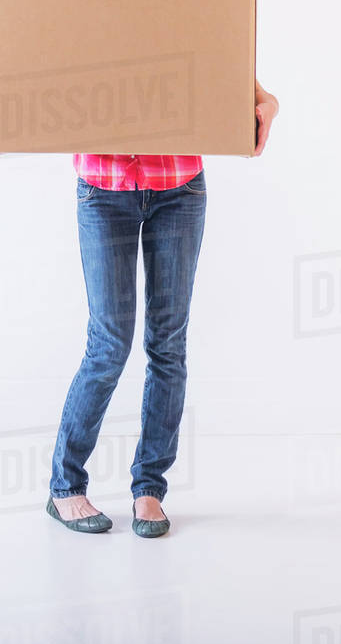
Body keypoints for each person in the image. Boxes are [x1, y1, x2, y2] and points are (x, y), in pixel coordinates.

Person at [46, 78, 279, 537]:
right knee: (109, 344)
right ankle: (65, 487)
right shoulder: (84, 15)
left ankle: (149, 488)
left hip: (179, 191)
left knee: (167, 343)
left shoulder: (185, 13)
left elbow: (247, 85)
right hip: (104, 188)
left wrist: (267, 106)